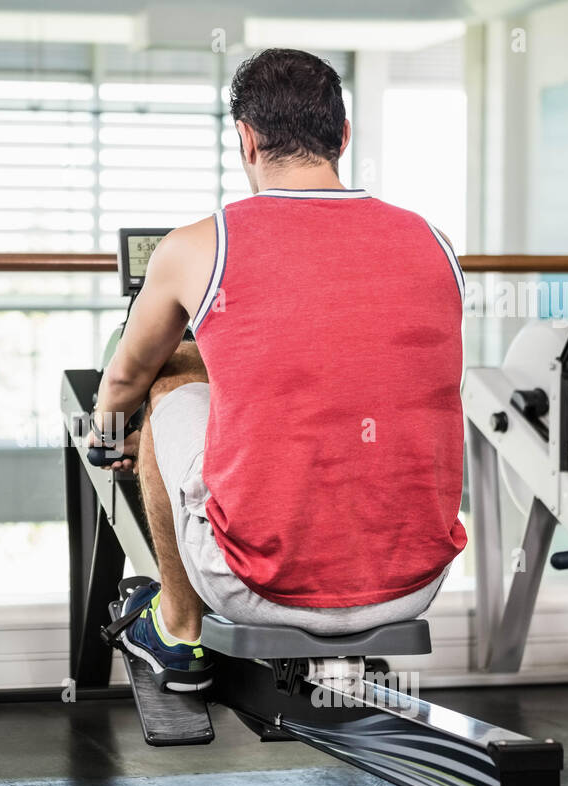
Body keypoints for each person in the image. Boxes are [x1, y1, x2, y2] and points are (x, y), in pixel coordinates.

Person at [89, 48, 467, 693]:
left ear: (246, 138)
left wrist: (106, 443)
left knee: (169, 377)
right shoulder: (434, 242)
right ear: (343, 137)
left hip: (255, 587)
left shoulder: (198, 243)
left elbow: (124, 382)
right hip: (416, 585)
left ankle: (178, 631)